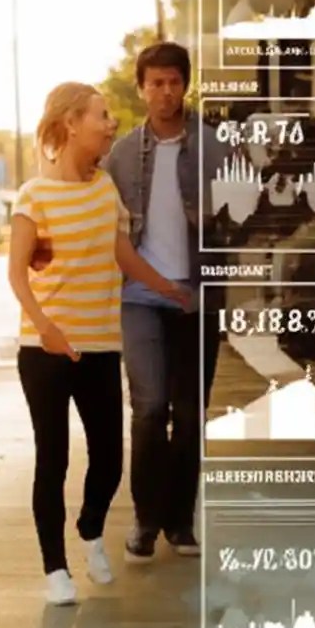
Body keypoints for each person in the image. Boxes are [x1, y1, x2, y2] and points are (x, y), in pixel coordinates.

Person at [8, 82, 190, 606]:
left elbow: (120, 254)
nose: (111, 124)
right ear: (71, 124)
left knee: (109, 457)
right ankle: (55, 568)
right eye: (102, 116)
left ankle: (90, 529)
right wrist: (44, 325)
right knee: (54, 457)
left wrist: (165, 287)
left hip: (99, 345)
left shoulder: (104, 189)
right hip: (44, 350)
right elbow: (17, 274)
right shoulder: (33, 196)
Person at [102, 42, 228, 563]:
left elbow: (242, 221)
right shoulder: (123, 155)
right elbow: (103, 227)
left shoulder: (218, 148)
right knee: (149, 408)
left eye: (174, 81)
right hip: (140, 298)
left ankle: (181, 521)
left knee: (189, 413)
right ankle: (145, 519)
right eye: (155, 82)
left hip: (197, 297)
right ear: (142, 88)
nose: (165, 92)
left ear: (186, 84)